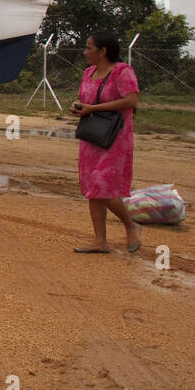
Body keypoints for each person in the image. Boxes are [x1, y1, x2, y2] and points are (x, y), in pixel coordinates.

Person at [70, 32, 142, 254]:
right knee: (92, 188)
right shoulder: (88, 73)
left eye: (89, 48)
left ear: (102, 51)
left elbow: (131, 100)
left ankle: (131, 225)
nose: (85, 52)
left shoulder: (122, 72)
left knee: (102, 185)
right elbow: (87, 100)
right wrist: (80, 107)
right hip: (92, 137)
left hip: (115, 138)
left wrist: (94, 108)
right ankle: (100, 240)